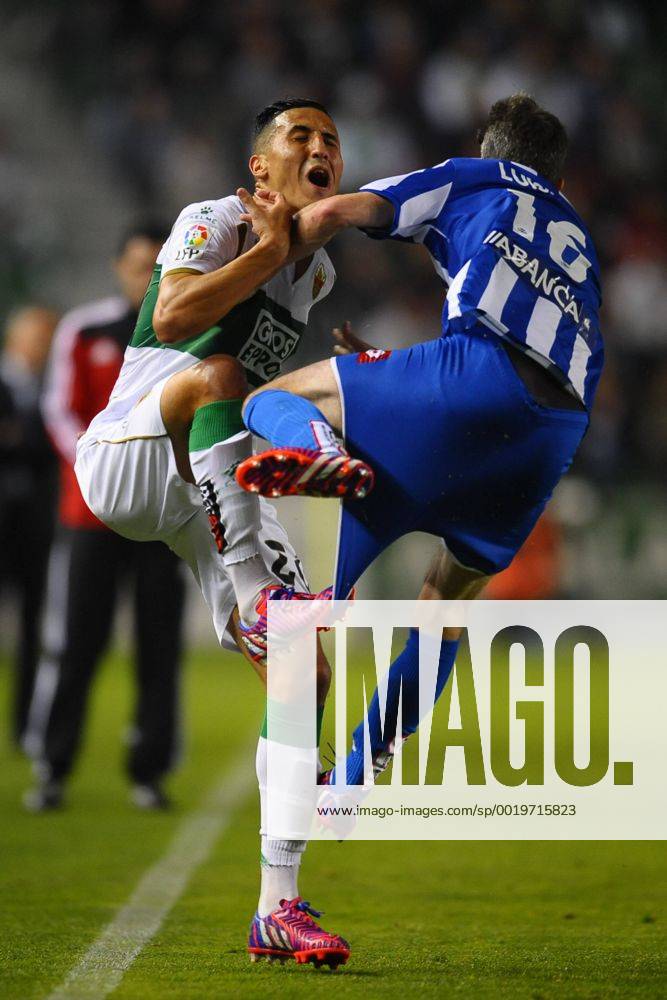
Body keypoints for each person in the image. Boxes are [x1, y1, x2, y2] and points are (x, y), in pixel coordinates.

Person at [236, 94, 601, 787]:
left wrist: (262, 243)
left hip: (473, 374)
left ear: (490, 150)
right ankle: (355, 775)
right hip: (554, 430)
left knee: (268, 398)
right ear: (557, 179)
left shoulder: (474, 176)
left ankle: (321, 451)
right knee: (444, 607)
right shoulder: (576, 235)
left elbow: (338, 213)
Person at [73, 100, 350, 966]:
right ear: (260, 168)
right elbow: (171, 322)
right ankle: (254, 596)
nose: (320, 147)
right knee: (218, 371)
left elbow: (259, 395)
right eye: (300, 136)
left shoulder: (317, 275)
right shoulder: (216, 219)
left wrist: (350, 385)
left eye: (330, 140)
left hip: (207, 477)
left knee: (306, 671)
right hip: (128, 453)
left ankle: (278, 904)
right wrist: (264, 250)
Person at [23, 224, 187, 813]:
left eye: (159, 266)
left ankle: (150, 770)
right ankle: (53, 765)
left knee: (159, 646)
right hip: (89, 516)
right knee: (74, 641)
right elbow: (58, 411)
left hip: (159, 518)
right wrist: (105, 469)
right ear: (120, 266)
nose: (148, 277)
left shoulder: (189, 333)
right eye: (140, 265)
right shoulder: (84, 329)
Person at [0, 306, 59, 746]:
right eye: (40, 338)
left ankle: (25, 725)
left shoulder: (48, 390)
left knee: (33, 627)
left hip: (34, 529)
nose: (46, 348)